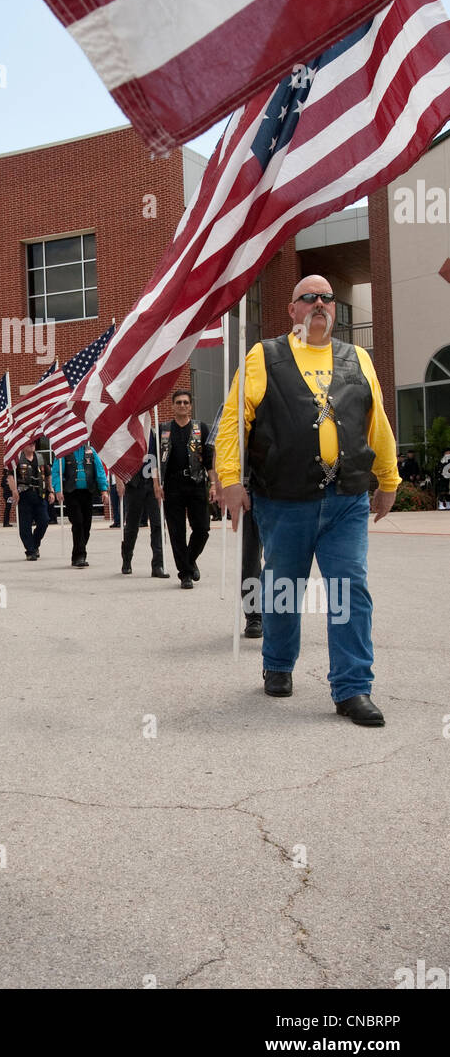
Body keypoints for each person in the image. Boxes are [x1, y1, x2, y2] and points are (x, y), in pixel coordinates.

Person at [218, 275, 400, 727]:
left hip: (346, 500)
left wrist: (388, 478)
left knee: (349, 590)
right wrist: (229, 479)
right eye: (309, 298)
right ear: (292, 310)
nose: (319, 304)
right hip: (284, 499)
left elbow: (376, 421)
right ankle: (278, 664)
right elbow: (231, 421)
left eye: (326, 298)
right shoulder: (266, 356)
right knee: (283, 588)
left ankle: (353, 688)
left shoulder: (357, 358)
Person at [159, 389, 215, 589]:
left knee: (202, 529)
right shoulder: (164, 430)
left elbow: (209, 459)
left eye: (185, 402)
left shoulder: (201, 428)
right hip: (172, 486)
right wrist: (157, 485)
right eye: (178, 402)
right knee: (177, 531)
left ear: (190, 406)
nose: (182, 405)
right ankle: (185, 575)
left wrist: (214, 484)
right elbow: (156, 460)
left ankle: (190, 561)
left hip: (196, 483)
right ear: (173, 406)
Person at [117, 437, 168, 578]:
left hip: (153, 484)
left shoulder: (154, 434)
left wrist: (158, 483)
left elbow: (158, 459)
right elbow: (118, 456)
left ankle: (158, 565)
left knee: (158, 524)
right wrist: (119, 480)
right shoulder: (128, 432)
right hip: (134, 483)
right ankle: (127, 559)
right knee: (132, 526)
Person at [52, 442, 109, 568]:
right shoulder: (63, 452)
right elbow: (56, 472)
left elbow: (99, 471)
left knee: (86, 526)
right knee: (77, 522)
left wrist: (104, 490)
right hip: (71, 493)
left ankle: (77, 554)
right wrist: (58, 489)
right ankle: (80, 556)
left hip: (87, 493)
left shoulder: (91, 451)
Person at [10, 440, 48, 560]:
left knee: (44, 521)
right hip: (24, 495)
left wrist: (51, 490)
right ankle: (30, 551)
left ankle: (35, 544)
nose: (32, 445)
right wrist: (14, 491)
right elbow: (10, 476)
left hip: (39, 494)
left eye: (34, 443)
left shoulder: (40, 457)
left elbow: (47, 474)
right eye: (29, 443)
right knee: (25, 525)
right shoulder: (16, 459)